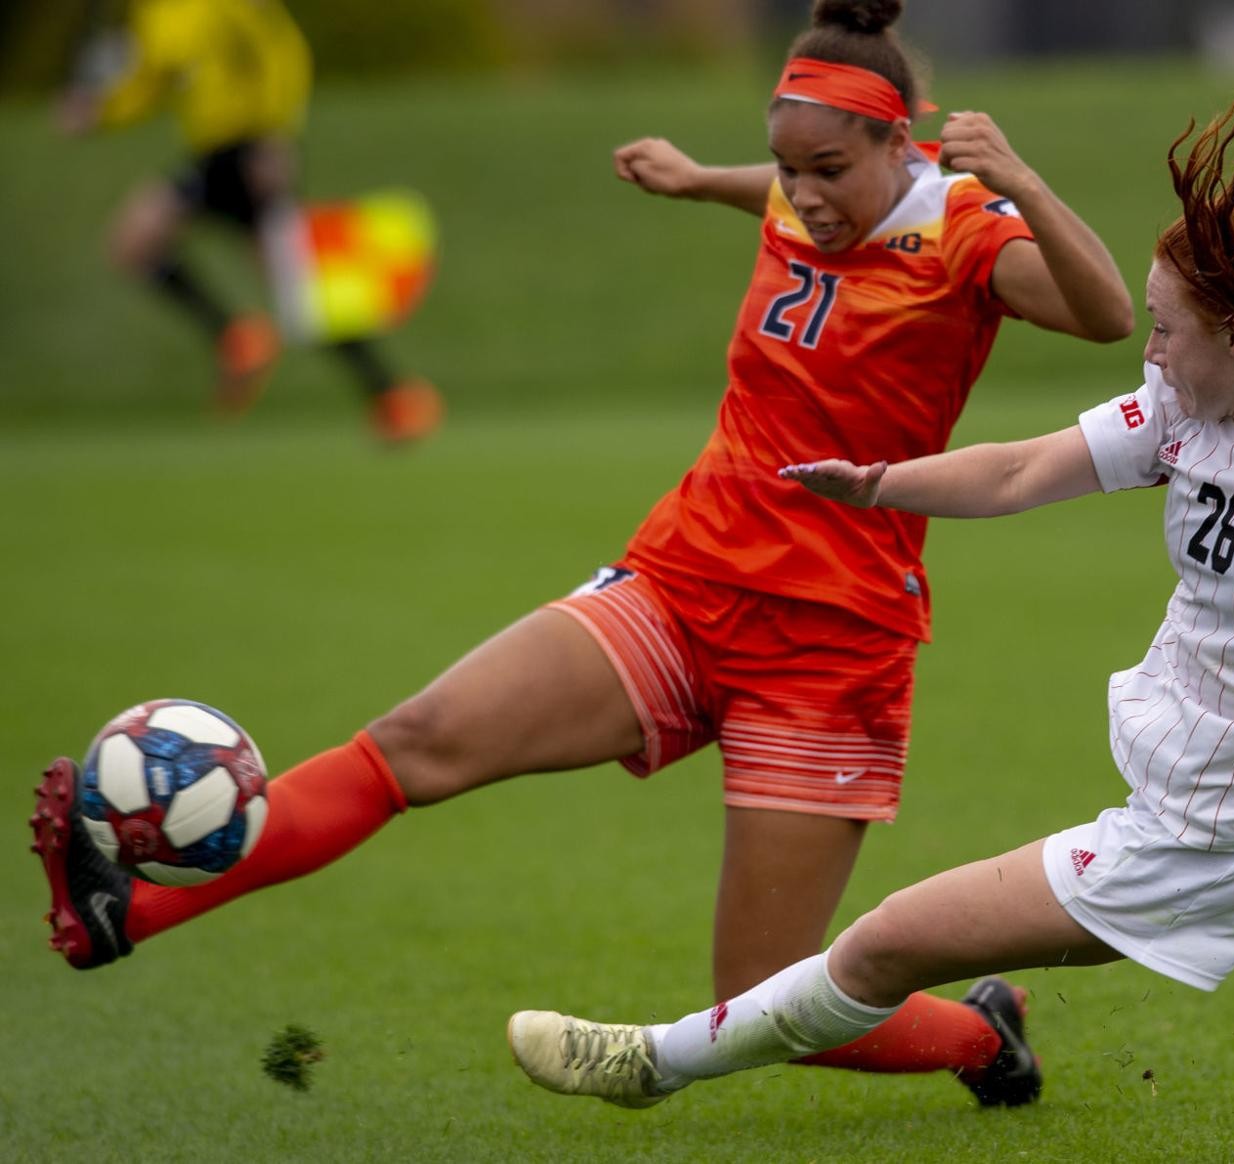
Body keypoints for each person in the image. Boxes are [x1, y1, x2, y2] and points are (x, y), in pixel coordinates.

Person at [502, 5, 1234, 1110]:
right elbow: (1013, 471)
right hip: (1229, 769)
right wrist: (877, 483)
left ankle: (651, 1063)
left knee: (887, 943)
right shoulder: (1193, 406)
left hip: (1215, 813)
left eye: (1164, 328)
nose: (1148, 348)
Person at [30, 0, 1134, 1108]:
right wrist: (700, 177)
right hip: (684, 578)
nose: (803, 196)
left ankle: (982, 1038)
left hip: (830, 642)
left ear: (904, 144)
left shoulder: (964, 227)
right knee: (418, 743)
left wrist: (1027, 185)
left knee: (762, 995)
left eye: (828, 169)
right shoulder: (809, 193)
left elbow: (1102, 316)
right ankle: (130, 912)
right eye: (786, 166)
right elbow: (782, 191)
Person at [56, 0, 441, 442]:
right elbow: (150, 83)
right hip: (210, 157)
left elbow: (280, 52)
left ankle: (393, 395)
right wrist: (99, 112)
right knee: (135, 244)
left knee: (299, 293)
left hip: (250, 152)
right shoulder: (153, 13)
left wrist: (275, 134)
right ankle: (241, 337)